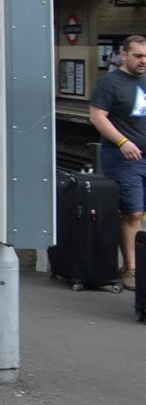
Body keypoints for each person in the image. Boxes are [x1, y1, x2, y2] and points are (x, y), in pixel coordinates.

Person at [88, 33, 146, 290]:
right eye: (138, 56)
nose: (143, 61)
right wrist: (123, 142)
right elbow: (98, 117)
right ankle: (130, 269)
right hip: (124, 158)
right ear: (124, 55)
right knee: (132, 213)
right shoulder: (110, 84)